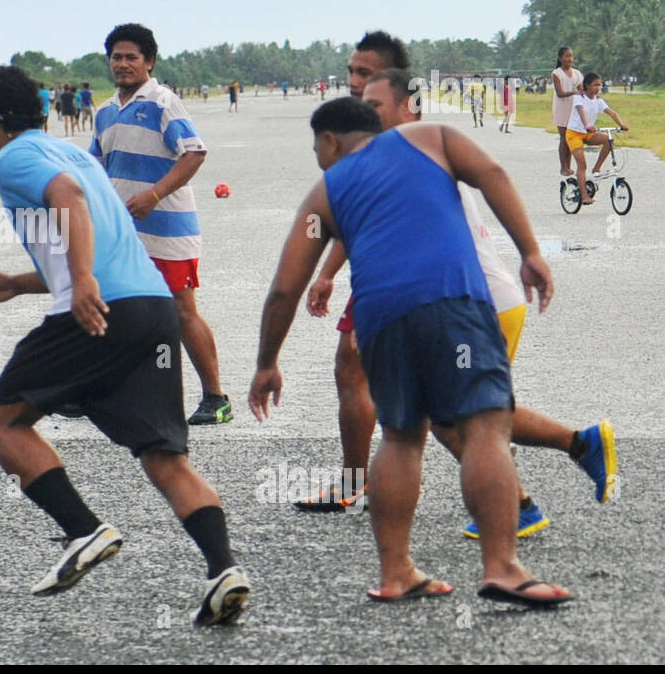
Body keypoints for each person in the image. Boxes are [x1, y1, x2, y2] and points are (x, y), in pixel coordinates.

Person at [251, 96, 574, 606]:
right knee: (485, 425)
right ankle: (503, 567)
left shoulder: (323, 195)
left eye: (317, 149)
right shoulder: (432, 138)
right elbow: (491, 172)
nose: (320, 158)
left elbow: (284, 289)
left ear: (330, 140)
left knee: (401, 436)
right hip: (451, 300)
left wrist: (267, 362)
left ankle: (396, 572)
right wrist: (530, 251)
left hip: (379, 322)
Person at [0, 65, 249, 625]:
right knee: (164, 457)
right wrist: (19, 282)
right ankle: (224, 569)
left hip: (101, 312)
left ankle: (83, 529)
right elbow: (92, 232)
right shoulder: (71, 152)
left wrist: (82, 282)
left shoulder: (13, 157)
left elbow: (69, 203)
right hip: (151, 308)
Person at [357, 70, 618, 534]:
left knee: (466, 416)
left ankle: (531, 490)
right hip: (476, 302)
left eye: (375, 104)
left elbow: (484, 185)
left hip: (480, 304)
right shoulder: (411, 157)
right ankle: (545, 476)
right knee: (458, 414)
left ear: (408, 109)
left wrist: (531, 253)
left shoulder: (410, 161)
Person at [90, 23, 231, 425]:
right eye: (116, 57)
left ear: (149, 61)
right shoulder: (103, 112)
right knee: (112, 305)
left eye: (132, 57)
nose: (123, 64)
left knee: (182, 312)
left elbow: (194, 153)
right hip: (123, 232)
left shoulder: (163, 102)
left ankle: (216, 398)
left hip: (168, 229)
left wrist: (154, 194)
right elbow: (96, 168)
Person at [296, 30, 409, 509]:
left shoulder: (391, 134)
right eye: (352, 72)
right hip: (390, 273)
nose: (353, 82)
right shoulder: (373, 130)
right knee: (446, 399)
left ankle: (357, 483)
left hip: (400, 274)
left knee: (446, 405)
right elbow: (356, 216)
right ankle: (356, 480)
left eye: (365, 74)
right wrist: (327, 273)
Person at [566, 72, 630, 205]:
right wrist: (587, 125)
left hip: (588, 133)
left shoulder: (598, 100)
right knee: (582, 165)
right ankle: (584, 196)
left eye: (600, 85)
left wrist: (621, 125)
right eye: (595, 85)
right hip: (574, 133)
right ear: (587, 85)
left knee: (608, 140)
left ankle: (596, 169)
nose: (598, 87)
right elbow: (580, 110)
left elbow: (611, 112)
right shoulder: (579, 97)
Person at [552, 47, 582, 176]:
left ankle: (568, 166)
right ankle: (563, 167)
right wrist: (575, 92)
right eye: (567, 56)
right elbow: (560, 93)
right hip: (561, 108)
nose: (570, 59)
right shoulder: (556, 73)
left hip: (573, 108)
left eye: (571, 56)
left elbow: (582, 90)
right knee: (563, 138)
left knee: (570, 138)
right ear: (560, 58)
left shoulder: (577, 73)